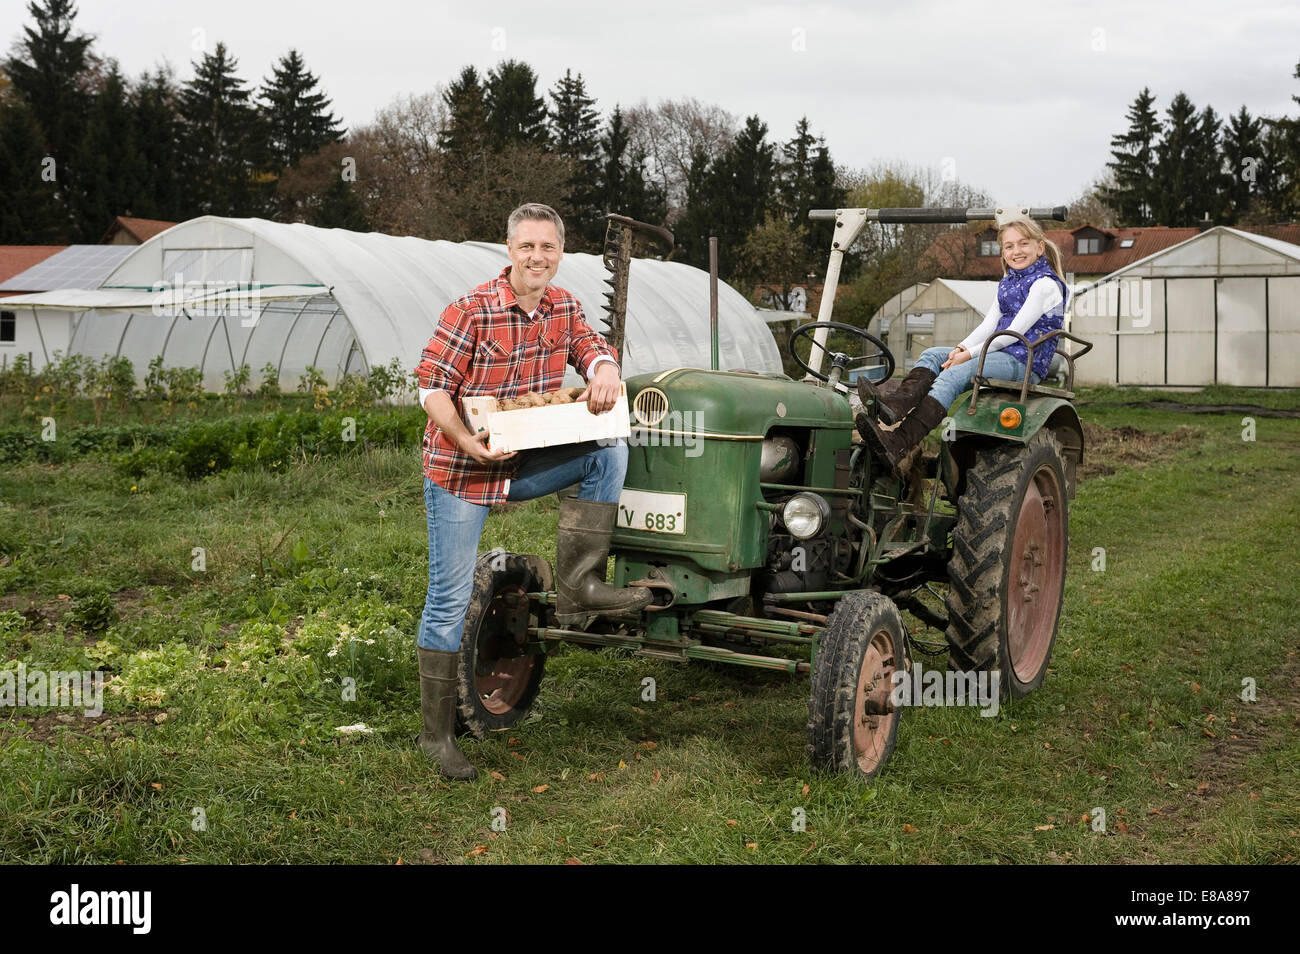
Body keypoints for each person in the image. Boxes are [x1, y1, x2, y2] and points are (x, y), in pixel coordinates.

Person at [412, 202, 651, 780]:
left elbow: (591, 347)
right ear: (509, 250)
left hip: (520, 465)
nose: (537, 257)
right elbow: (431, 387)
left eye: (548, 247)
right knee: (446, 601)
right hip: (464, 472)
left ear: (560, 253)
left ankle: (578, 586)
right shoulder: (471, 311)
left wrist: (602, 366)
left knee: (608, 448)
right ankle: (435, 736)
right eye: (527, 247)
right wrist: (466, 442)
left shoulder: (563, 306)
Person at [855, 213, 1069, 476]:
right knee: (934, 355)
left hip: (1025, 360)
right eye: (1009, 246)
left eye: (1024, 244)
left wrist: (968, 356)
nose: (1017, 251)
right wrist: (960, 348)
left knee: (957, 373)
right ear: (1002, 252)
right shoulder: (1007, 283)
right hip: (1000, 351)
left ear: (1040, 247)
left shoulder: (1045, 284)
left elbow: (1013, 333)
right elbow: (989, 326)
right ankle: (895, 407)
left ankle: (899, 442)